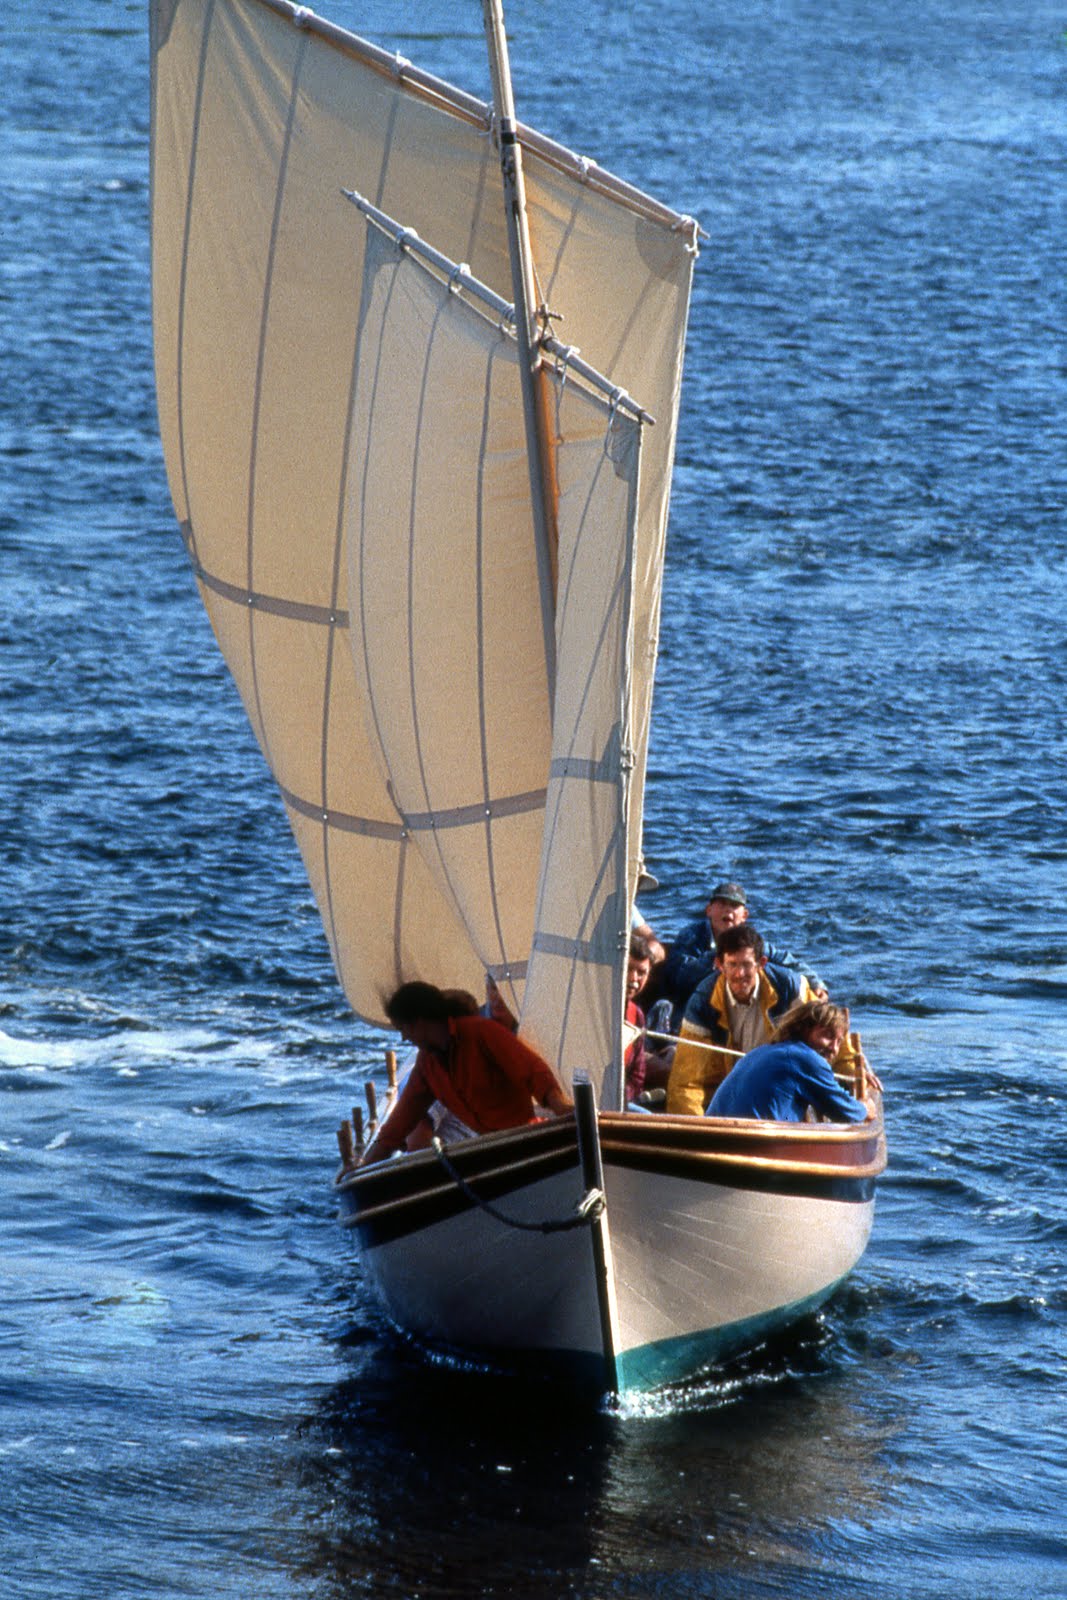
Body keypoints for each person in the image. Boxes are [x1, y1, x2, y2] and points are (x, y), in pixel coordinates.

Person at [360, 981, 572, 1165]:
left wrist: (560, 1106)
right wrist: (362, 1167)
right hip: (490, 1148)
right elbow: (400, 1122)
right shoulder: (427, 1064)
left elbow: (532, 1070)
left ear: (419, 1022)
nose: (404, 1038)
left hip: (523, 1140)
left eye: (403, 1029)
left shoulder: (481, 1032)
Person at [665, 924, 811, 1115]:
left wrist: (859, 1088)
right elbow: (686, 1083)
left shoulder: (790, 988)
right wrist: (700, 1131)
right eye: (732, 964)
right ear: (719, 965)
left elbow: (831, 1036)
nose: (739, 974)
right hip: (731, 1094)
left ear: (761, 963)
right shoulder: (702, 1002)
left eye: (746, 965)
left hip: (783, 1089)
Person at [660, 880, 826, 1025]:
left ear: (744, 916)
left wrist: (816, 983)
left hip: (738, 1007)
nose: (728, 911)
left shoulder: (749, 941)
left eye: (734, 906)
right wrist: (719, 955)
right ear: (709, 910)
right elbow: (679, 978)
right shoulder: (691, 936)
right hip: (695, 1005)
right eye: (722, 904)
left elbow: (786, 961)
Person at [708, 999, 869, 1124]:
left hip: (712, 1135)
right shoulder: (805, 1059)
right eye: (827, 1036)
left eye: (839, 1041)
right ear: (802, 1029)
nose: (834, 1048)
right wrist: (864, 1108)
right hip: (749, 1142)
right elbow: (845, 1112)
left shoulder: (760, 1051)